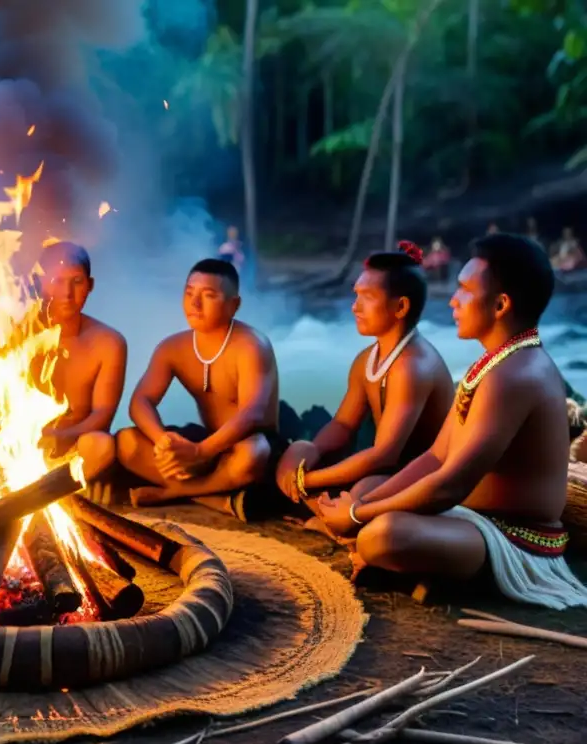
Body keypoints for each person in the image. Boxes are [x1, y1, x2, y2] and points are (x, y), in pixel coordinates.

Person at [316, 233, 587, 609]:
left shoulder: (516, 374)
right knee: (369, 488)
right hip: (469, 517)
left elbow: (449, 485)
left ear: (500, 304)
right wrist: (363, 504)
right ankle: (416, 564)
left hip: (512, 537)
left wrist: (356, 515)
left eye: (464, 290)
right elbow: (434, 457)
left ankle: (436, 572)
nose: (453, 301)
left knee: (384, 535)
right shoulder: (495, 362)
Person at [275, 241, 454, 526]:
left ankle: (335, 523)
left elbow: (385, 454)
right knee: (296, 451)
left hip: (416, 476)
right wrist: (312, 452)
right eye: (355, 295)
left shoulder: (412, 366)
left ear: (401, 307)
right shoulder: (367, 359)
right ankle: (334, 522)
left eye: (367, 296)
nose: (355, 307)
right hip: (380, 469)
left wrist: (307, 480)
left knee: (361, 494)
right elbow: (344, 424)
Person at [116, 258, 283, 516]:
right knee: (127, 442)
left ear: (233, 305)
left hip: (248, 446)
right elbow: (140, 401)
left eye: (208, 295)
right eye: (189, 293)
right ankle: (212, 498)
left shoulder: (251, 345)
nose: (194, 304)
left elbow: (252, 413)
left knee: (254, 452)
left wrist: (200, 451)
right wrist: (162, 440)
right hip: (207, 441)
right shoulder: (172, 348)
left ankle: (176, 492)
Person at [36, 242, 126, 481]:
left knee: (101, 445)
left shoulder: (108, 342)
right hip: (25, 448)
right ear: (42, 283)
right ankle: (63, 495)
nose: (67, 293)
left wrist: (60, 436)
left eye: (76, 282)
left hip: (76, 451)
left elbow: (103, 414)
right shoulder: (17, 336)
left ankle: (54, 494)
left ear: (90, 285)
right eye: (57, 281)